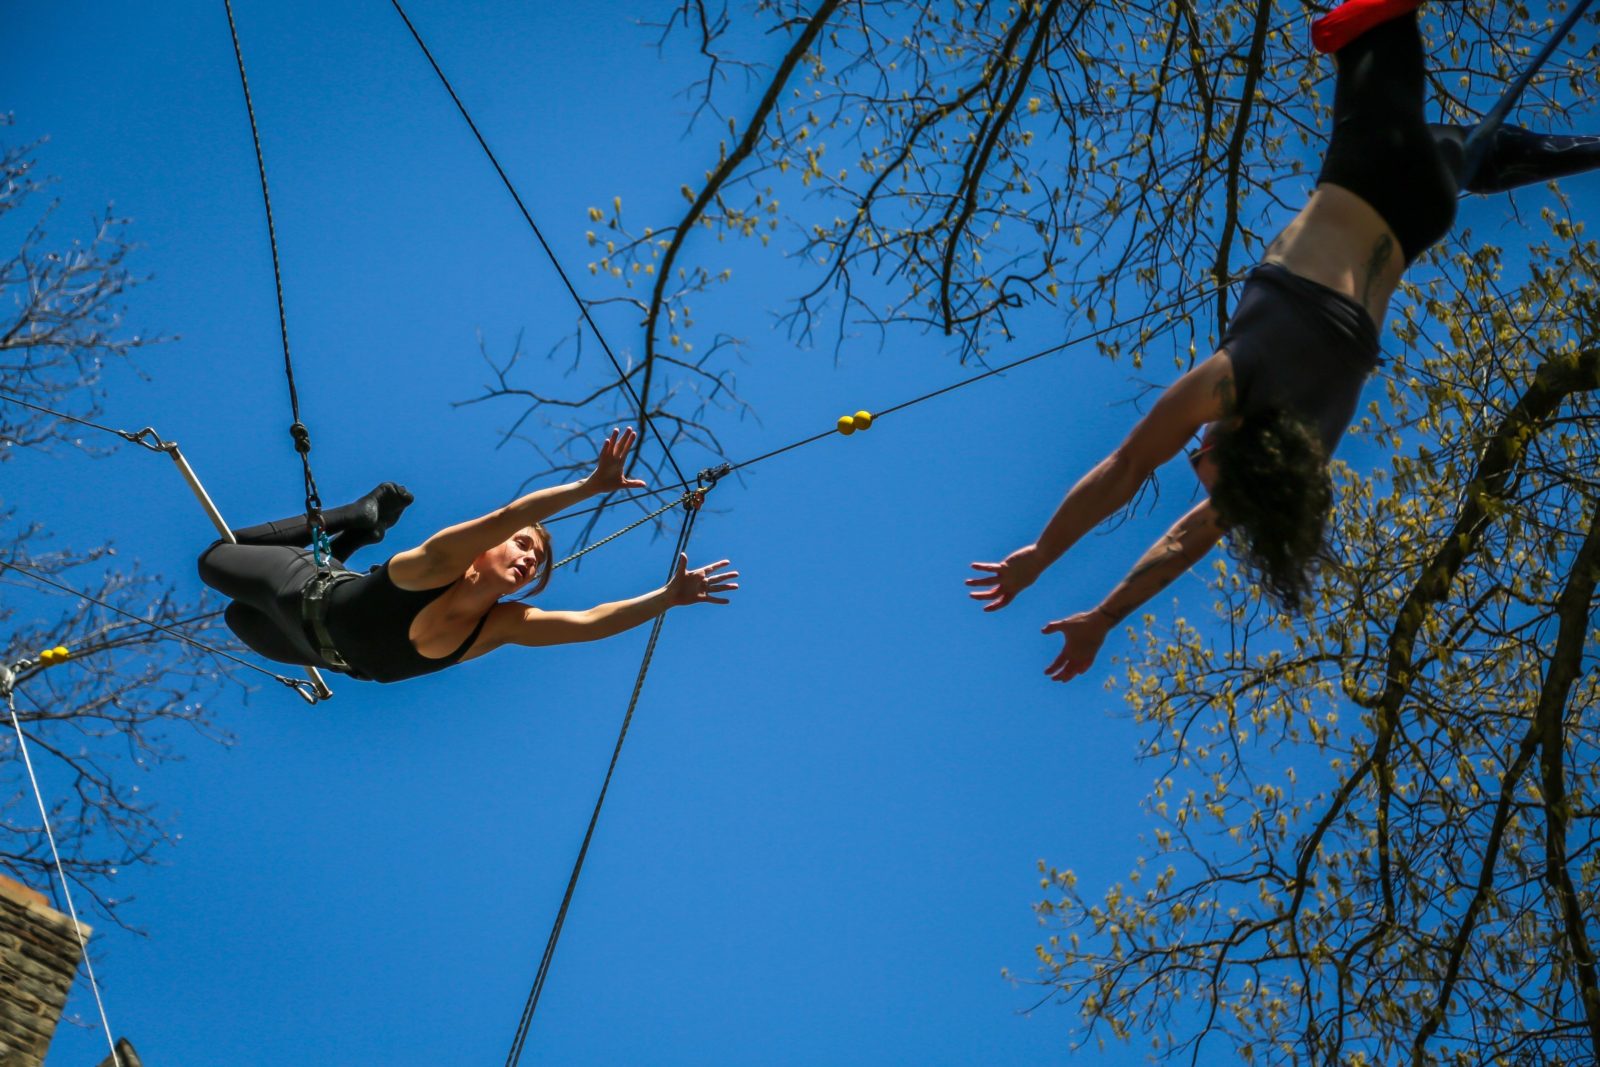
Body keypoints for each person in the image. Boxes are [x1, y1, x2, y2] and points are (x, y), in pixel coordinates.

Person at [967, 0, 1600, 682]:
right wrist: (1041, 554)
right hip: (1369, 169)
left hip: (1424, 210)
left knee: (1469, 151)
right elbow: (1126, 470)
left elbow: (1187, 541)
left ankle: (1522, 153)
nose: (1195, 464)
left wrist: (1105, 615)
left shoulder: (1317, 434)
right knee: (1359, 22)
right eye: (1206, 464)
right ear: (1232, 444)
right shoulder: (1236, 378)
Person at [199, 427, 739, 683]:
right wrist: (590, 486)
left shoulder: (502, 624)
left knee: (235, 616)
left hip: (315, 648)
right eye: (524, 545)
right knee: (216, 559)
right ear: (485, 552)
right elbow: (506, 516)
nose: (529, 557)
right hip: (302, 592)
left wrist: (668, 597)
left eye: (537, 560)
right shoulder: (435, 565)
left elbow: (590, 623)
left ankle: (353, 541)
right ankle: (351, 519)